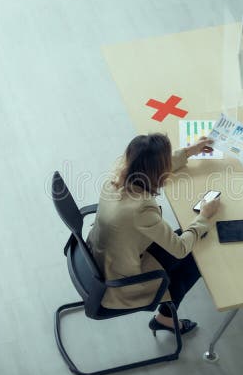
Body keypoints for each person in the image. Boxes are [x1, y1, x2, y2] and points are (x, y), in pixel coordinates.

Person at [87, 133, 220, 336]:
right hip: (120, 282)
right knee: (195, 255)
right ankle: (165, 318)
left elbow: (152, 167)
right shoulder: (141, 210)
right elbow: (180, 248)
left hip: (101, 259)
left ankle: (166, 313)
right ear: (158, 171)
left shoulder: (115, 179)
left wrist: (189, 151)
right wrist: (204, 216)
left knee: (185, 236)